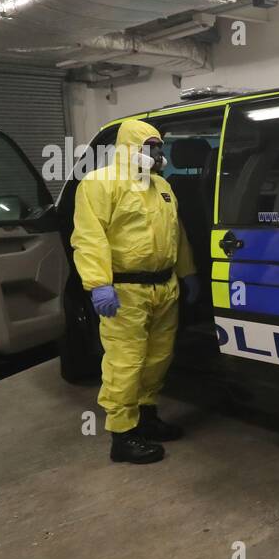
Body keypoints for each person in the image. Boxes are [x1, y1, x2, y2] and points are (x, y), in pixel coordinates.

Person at [72, 119, 200, 465]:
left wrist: (187, 273)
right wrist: (99, 284)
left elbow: (178, 233)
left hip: (164, 286)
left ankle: (147, 416)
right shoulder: (100, 184)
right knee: (125, 362)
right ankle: (122, 434)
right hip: (125, 291)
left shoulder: (162, 187)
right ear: (132, 147)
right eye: (152, 147)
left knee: (158, 358)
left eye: (160, 148)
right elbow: (89, 238)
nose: (159, 155)